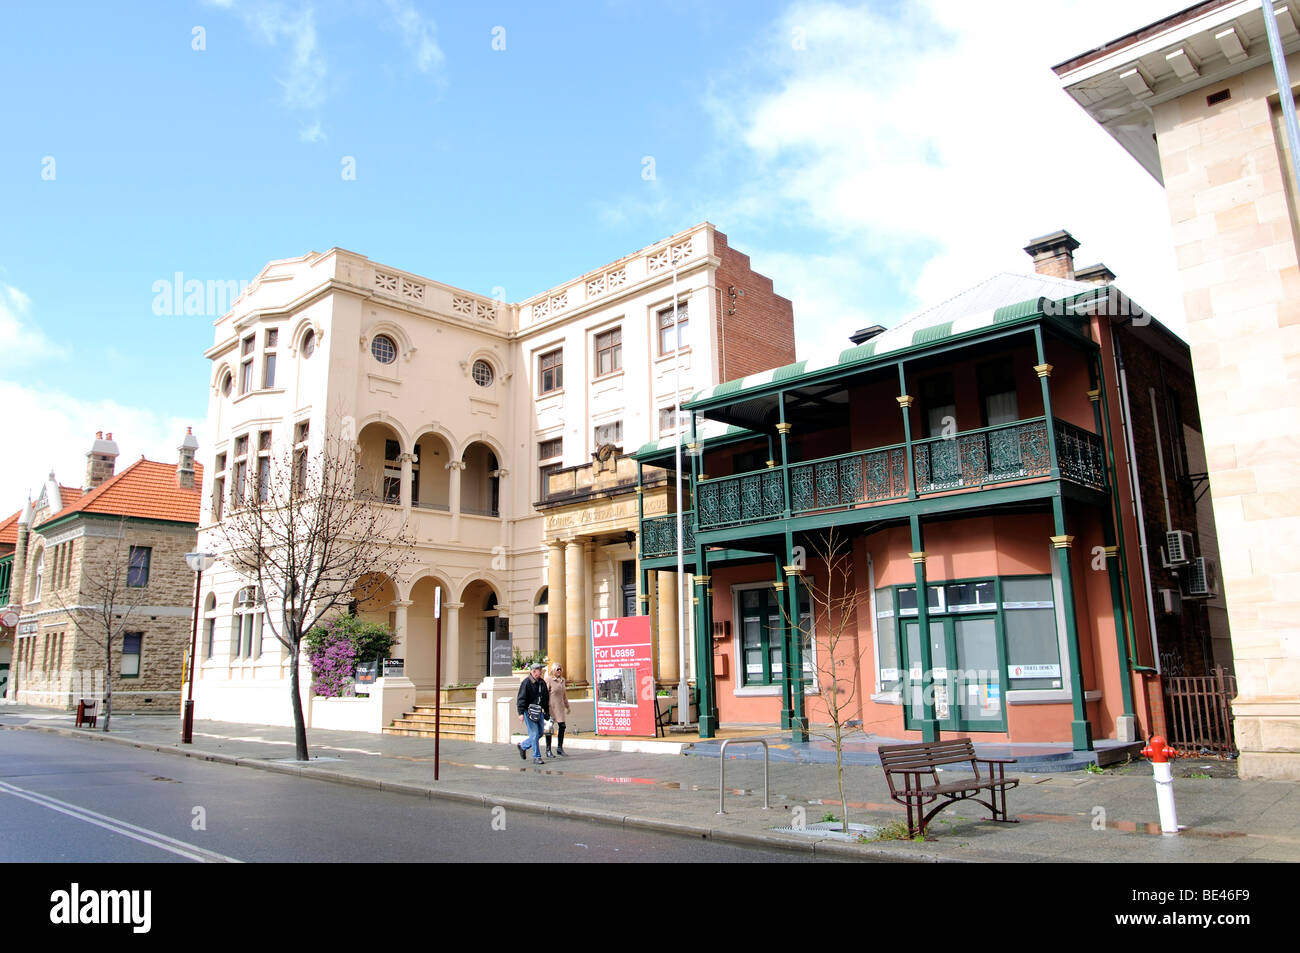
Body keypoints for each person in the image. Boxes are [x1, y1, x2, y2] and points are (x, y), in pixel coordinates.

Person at [516, 661, 550, 764]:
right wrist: (521, 713)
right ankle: (537, 756)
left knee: (539, 733)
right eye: (540, 670)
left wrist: (546, 711)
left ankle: (523, 746)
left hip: (538, 711)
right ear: (534, 671)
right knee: (534, 733)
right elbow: (521, 698)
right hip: (528, 711)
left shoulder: (542, 683)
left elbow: (545, 698)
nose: (541, 672)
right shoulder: (526, 683)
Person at [545, 663, 571, 757]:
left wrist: (567, 706)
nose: (559, 671)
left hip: (560, 707)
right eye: (557, 669)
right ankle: (548, 750)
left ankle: (560, 748)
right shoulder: (549, 679)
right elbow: (545, 694)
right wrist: (544, 708)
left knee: (562, 726)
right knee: (549, 728)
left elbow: (564, 695)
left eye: (560, 669)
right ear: (553, 670)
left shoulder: (562, 680)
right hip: (551, 707)